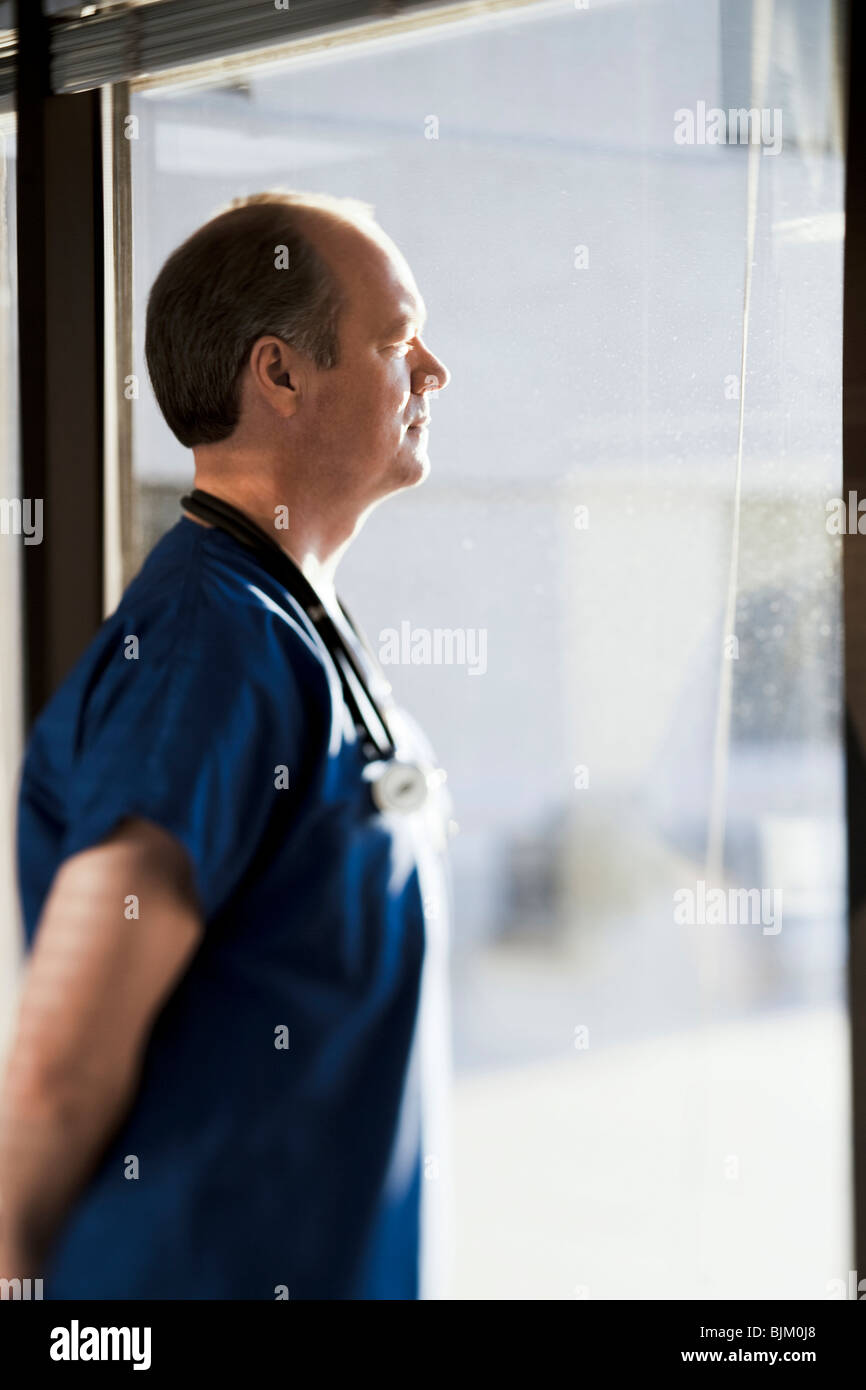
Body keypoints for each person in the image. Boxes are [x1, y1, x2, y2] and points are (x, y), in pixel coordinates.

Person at [0, 191, 454, 1300]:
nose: (432, 371)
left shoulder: (291, 622)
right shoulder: (211, 651)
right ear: (281, 375)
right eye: (397, 341)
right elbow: (63, 1059)